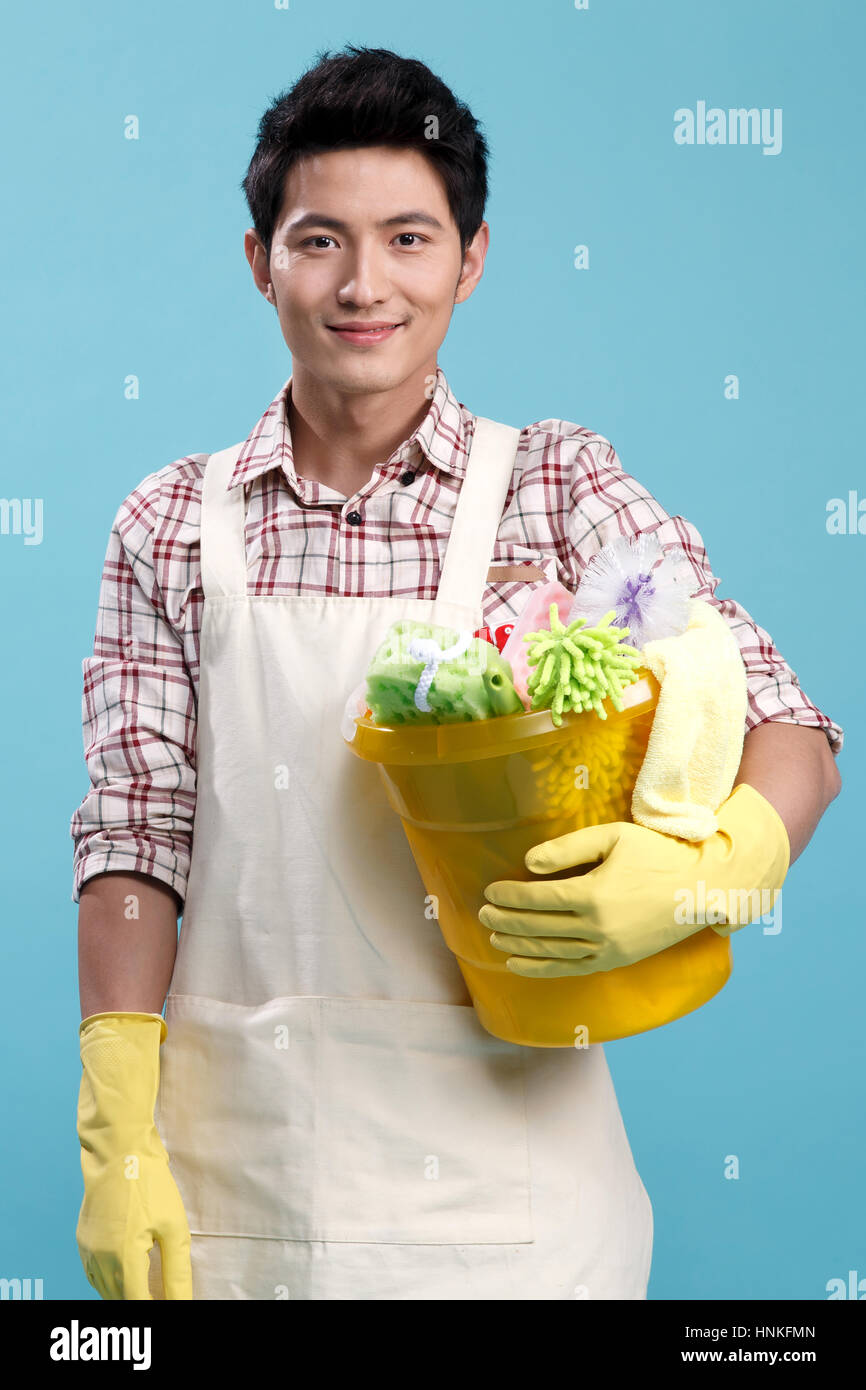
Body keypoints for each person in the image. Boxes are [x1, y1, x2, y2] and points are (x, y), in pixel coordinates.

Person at [70, 44, 844, 1302]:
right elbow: (134, 835)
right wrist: (114, 1120)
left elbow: (787, 725)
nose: (362, 284)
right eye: (318, 240)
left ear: (470, 260)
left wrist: (716, 871)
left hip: (517, 1207)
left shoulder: (554, 485)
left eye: (410, 239)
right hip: (230, 1188)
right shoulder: (167, 522)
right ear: (260, 260)